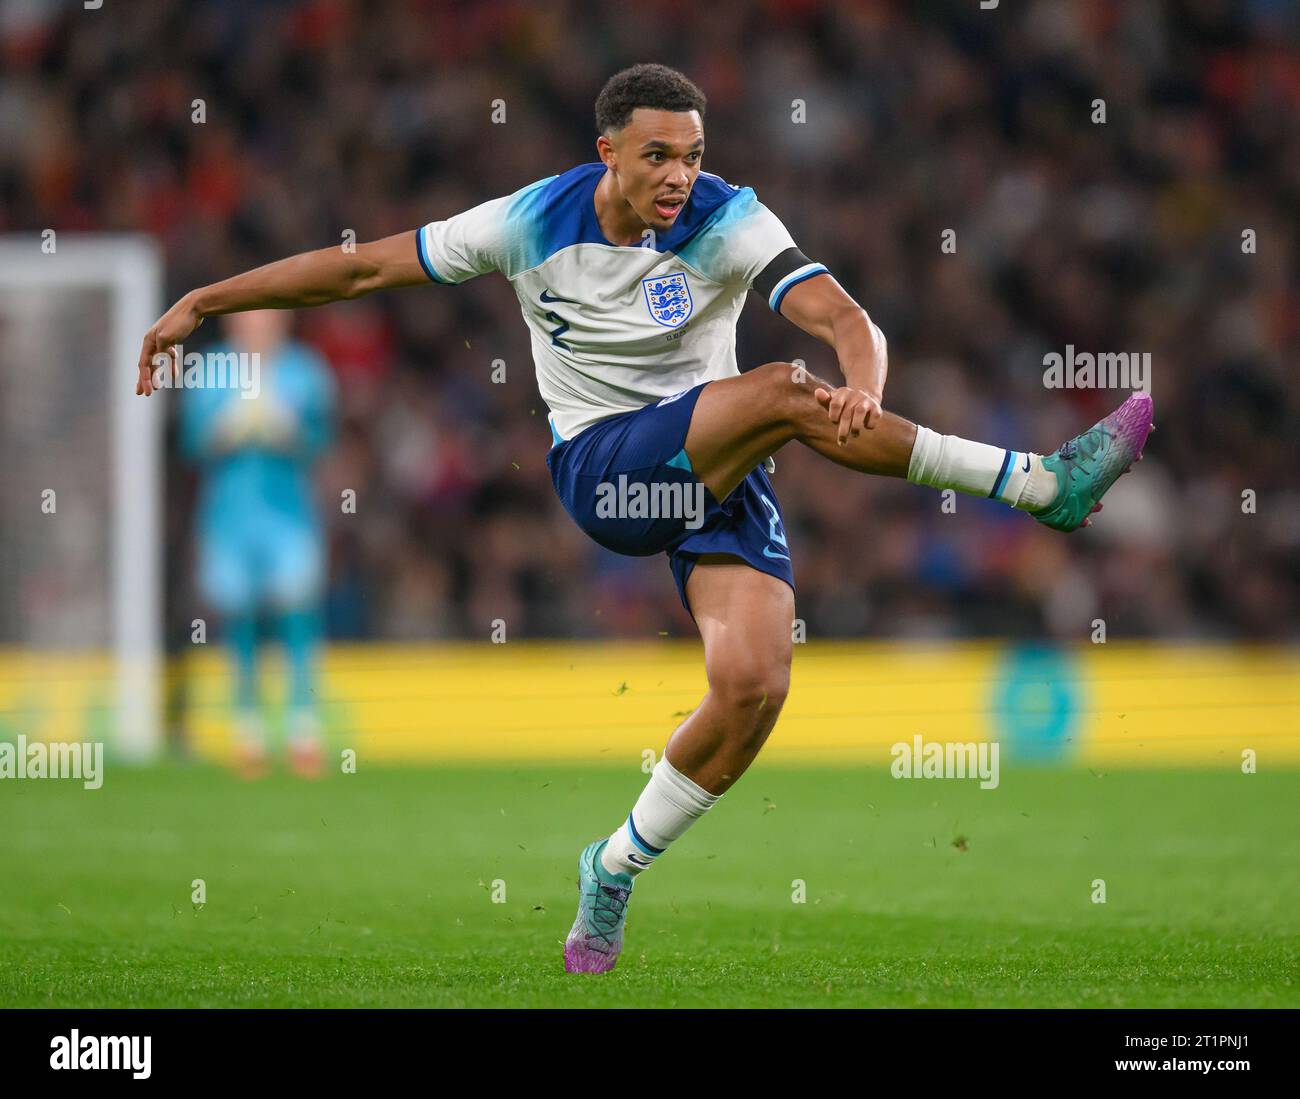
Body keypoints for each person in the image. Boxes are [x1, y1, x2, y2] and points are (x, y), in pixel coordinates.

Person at [137, 63, 1152, 971]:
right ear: (607, 153)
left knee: (753, 684)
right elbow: (360, 269)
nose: (678, 174)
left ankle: (612, 867)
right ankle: (1038, 486)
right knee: (784, 392)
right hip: (609, 474)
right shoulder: (529, 220)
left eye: (692, 154)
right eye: (657, 154)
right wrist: (204, 302)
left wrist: (864, 381)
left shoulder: (726, 216)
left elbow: (845, 316)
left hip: (715, 465)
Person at [179, 310, 335, 778]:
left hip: (289, 516)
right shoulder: (210, 369)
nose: (258, 325)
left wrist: (291, 433)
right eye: (249, 317)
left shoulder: (306, 370)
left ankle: (303, 731)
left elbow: (322, 440)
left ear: (283, 320)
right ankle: (247, 732)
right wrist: (224, 431)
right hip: (229, 518)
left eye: (266, 317)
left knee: (297, 614)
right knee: (238, 618)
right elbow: (190, 444)